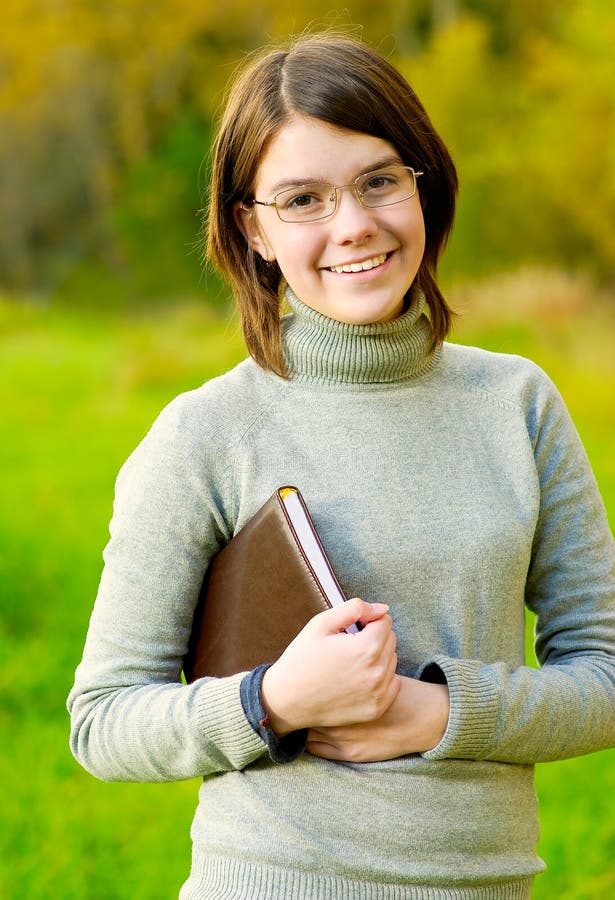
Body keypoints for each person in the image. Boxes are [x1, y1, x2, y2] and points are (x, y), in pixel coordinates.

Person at [67, 33, 615, 899]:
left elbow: (606, 668)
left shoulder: (517, 402)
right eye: (302, 199)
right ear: (251, 228)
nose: (353, 225)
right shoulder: (205, 432)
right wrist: (274, 701)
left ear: (424, 182)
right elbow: (103, 723)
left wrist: (438, 712)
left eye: (378, 180)